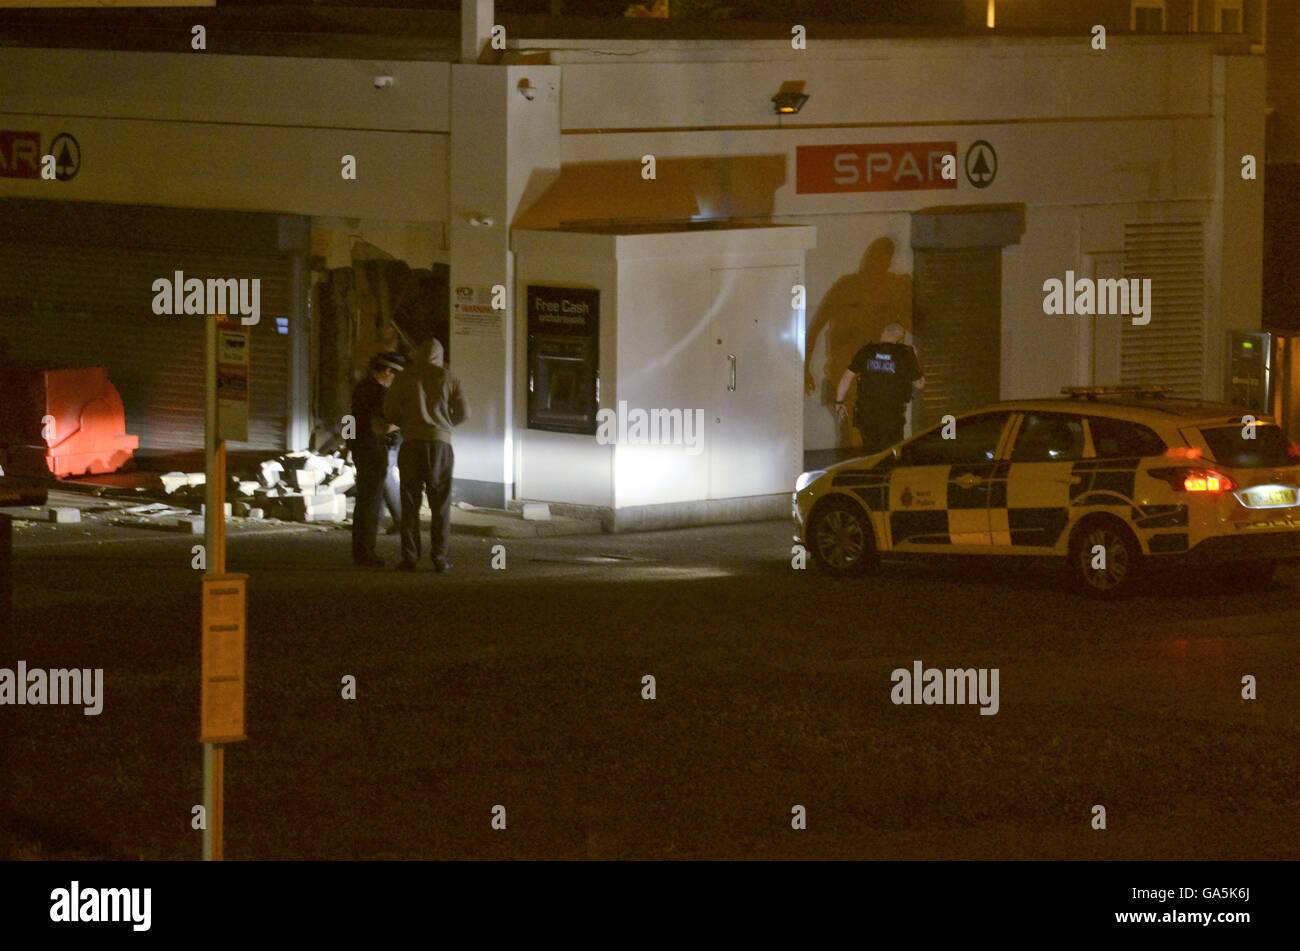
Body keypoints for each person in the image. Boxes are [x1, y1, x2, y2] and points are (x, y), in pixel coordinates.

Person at [382, 337, 469, 573]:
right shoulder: (449, 378)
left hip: (411, 444)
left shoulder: (405, 377)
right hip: (440, 445)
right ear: (440, 356)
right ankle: (440, 558)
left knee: (410, 503)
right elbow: (464, 413)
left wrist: (407, 423)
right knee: (440, 504)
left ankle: (410, 557)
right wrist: (444, 425)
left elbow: (388, 410)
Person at [349, 352, 405, 567]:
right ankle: (365, 553)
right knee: (370, 503)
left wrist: (350, 444)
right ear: (388, 371)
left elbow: (351, 420)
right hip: (373, 448)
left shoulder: (362, 387)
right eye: (396, 374)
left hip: (364, 447)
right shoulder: (375, 392)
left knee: (369, 500)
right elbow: (380, 426)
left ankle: (363, 550)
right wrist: (406, 421)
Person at [835, 323, 925, 454]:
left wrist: (839, 402)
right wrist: (915, 357)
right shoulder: (906, 353)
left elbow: (846, 378)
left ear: (883, 333)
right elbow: (919, 384)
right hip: (892, 416)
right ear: (901, 339)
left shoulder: (866, 351)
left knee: (870, 454)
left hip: (866, 414)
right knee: (891, 453)